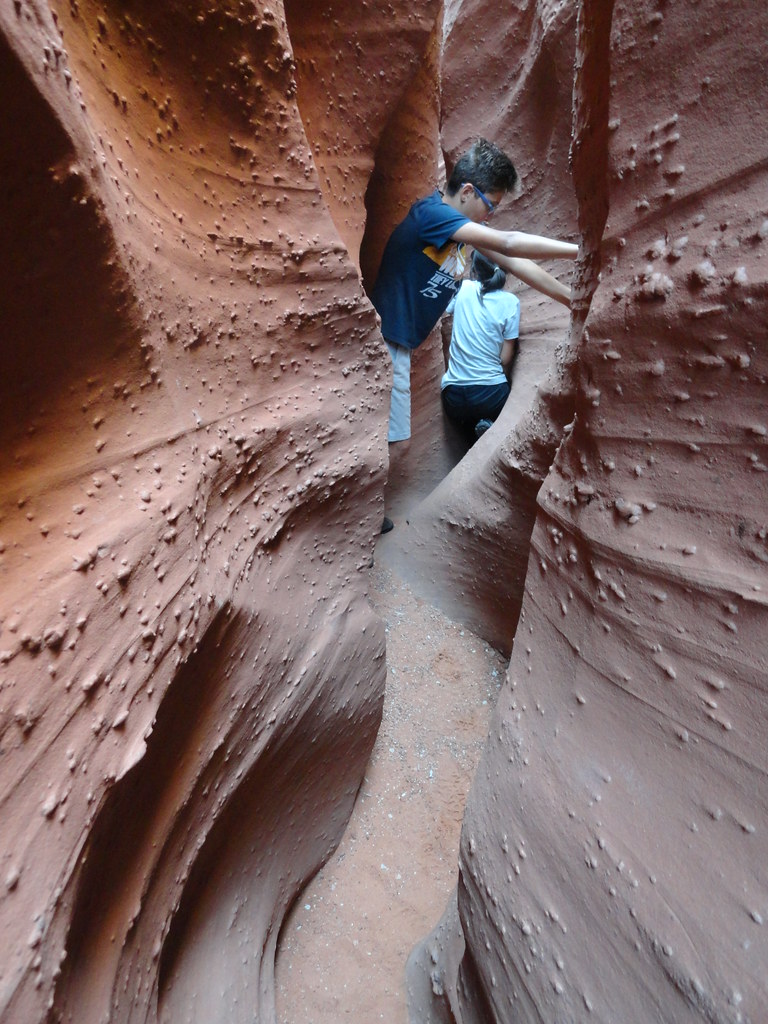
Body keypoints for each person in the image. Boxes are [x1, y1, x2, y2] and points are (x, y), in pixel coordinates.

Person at [369, 138, 577, 530]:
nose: (490, 215)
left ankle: (360, 515)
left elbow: (515, 261)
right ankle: (356, 520)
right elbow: (510, 241)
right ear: (467, 191)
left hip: (397, 342)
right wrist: (582, 250)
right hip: (386, 338)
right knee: (398, 444)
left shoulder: (459, 235)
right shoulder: (432, 215)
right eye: (490, 205)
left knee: (394, 441)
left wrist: (571, 299)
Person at [441, 251, 519, 440]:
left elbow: (446, 310)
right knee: (499, 404)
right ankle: (487, 426)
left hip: (453, 395)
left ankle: (472, 432)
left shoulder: (464, 288)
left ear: (474, 269)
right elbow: (505, 359)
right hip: (490, 395)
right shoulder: (511, 302)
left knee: (467, 423)